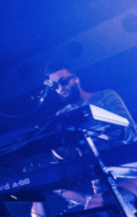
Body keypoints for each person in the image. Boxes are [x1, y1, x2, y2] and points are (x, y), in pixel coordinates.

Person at [30, 64, 137, 216]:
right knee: (94, 207)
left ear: (76, 79)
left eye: (63, 81)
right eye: (55, 86)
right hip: (102, 185)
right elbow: (68, 156)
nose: (61, 88)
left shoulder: (104, 96)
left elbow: (131, 133)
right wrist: (50, 141)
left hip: (130, 173)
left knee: (98, 204)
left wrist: (92, 123)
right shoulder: (63, 113)